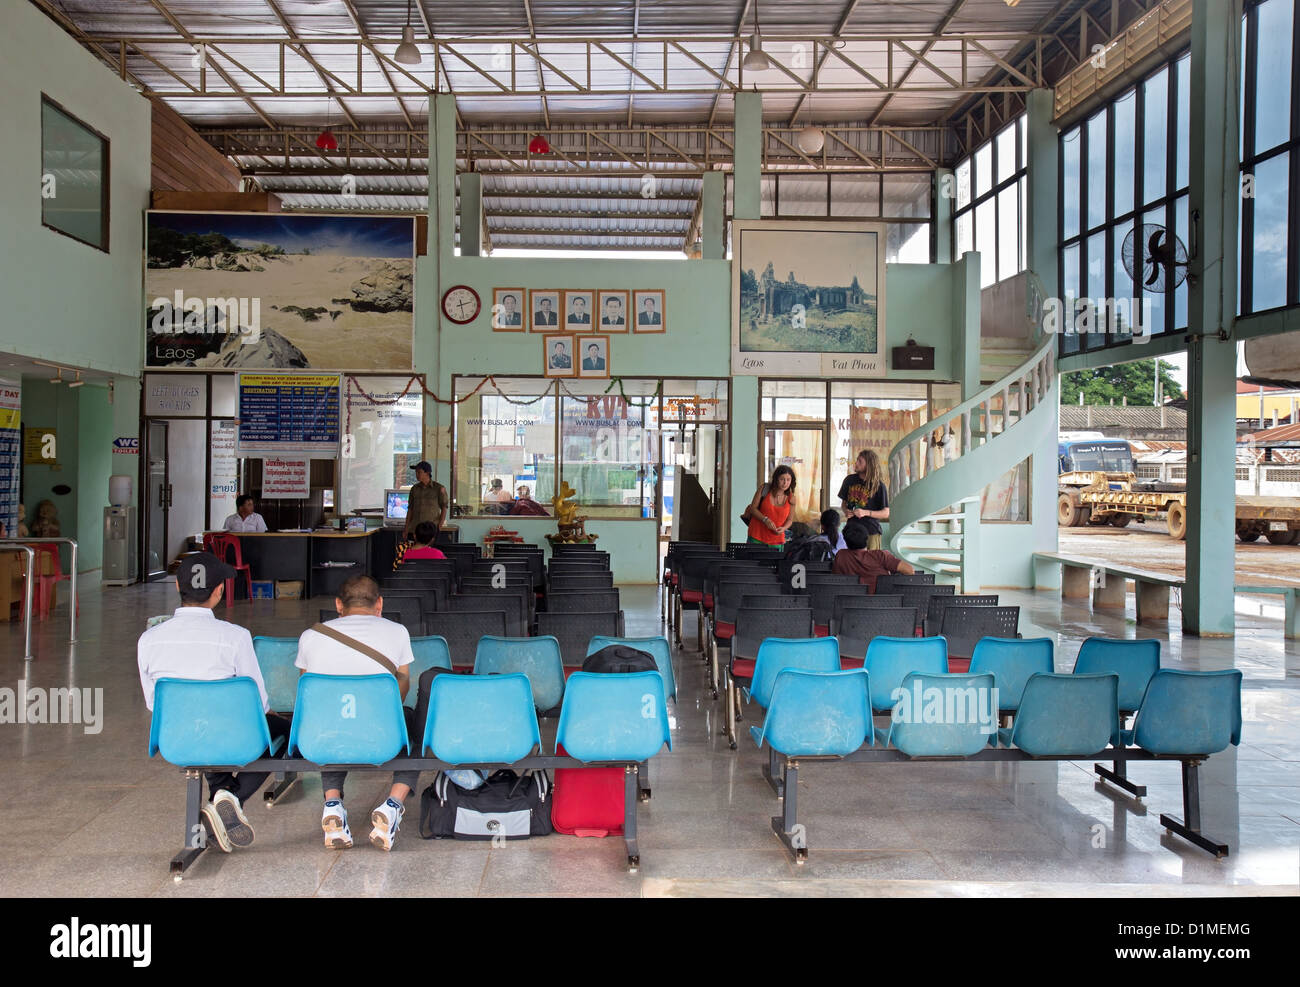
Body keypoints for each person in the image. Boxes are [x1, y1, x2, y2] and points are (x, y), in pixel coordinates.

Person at [137, 552, 289, 853]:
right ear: (219, 591)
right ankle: (230, 798)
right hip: (232, 737)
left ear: (179, 588)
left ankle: (221, 793)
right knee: (286, 734)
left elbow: (154, 704)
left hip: (177, 739)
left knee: (202, 724)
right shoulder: (235, 636)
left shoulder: (149, 639)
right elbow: (258, 703)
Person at [296, 575, 420, 852]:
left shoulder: (311, 636)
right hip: (381, 735)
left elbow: (308, 695)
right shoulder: (397, 631)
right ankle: (393, 805)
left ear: (338, 604)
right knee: (414, 723)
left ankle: (332, 804)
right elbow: (403, 684)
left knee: (330, 719)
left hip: (323, 737)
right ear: (379, 604)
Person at [831, 519, 914, 593]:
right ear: (867, 539)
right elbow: (909, 570)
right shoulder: (880, 556)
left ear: (846, 541)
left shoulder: (841, 555)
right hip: (883, 604)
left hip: (852, 605)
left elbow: (836, 580)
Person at [837, 449, 889, 550]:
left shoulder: (878, 485)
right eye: (857, 460)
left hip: (871, 532)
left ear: (869, 465)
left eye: (860, 461)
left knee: (871, 563)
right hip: (851, 532)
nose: (856, 463)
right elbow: (844, 504)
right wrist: (846, 511)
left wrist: (865, 513)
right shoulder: (849, 480)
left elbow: (886, 513)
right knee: (852, 564)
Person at [743, 465, 795, 549]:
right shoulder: (765, 488)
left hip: (777, 540)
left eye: (788, 480)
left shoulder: (791, 498)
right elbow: (753, 508)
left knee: (773, 562)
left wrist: (784, 528)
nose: (785, 483)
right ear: (776, 479)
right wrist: (765, 520)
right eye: (782, 479)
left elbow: (790, 520)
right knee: (753, 561)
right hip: (756, 536)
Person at [403, 460, 447, 541]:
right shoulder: (414, 489)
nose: (417, 475)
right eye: (416, 472)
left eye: (419, 472)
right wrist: (406, 528)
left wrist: (439, 526)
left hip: (431, 530)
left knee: (429, 552)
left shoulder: (438, 488)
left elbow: (444, 508)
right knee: (415, 552)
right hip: (414, 529)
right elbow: (410, 509)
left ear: (427, 473)